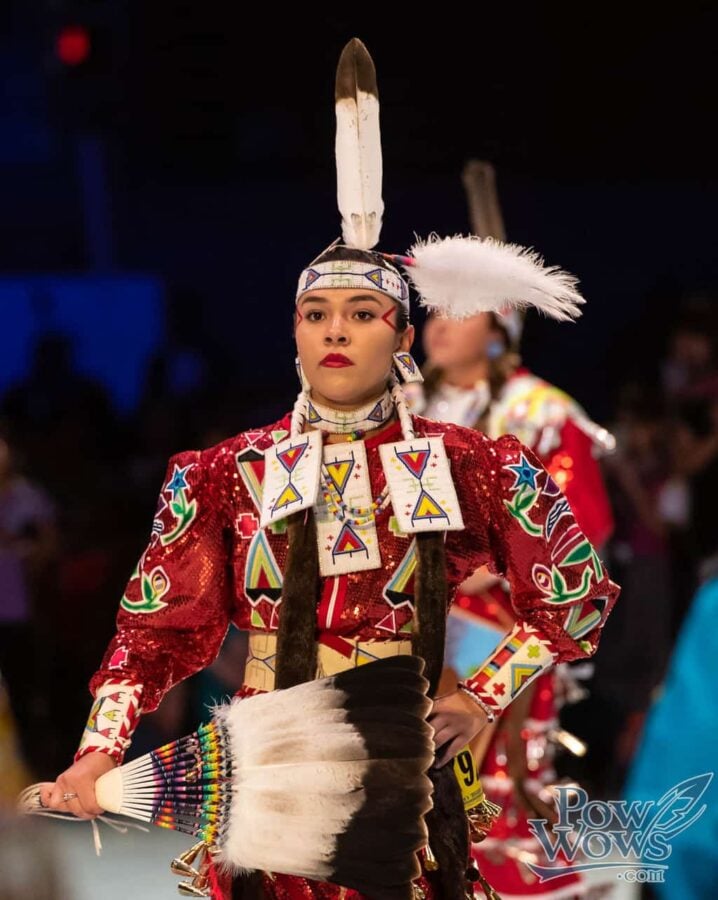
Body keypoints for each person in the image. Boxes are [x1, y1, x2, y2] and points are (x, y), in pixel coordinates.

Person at [40, 40, 619, 900]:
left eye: (362, 313)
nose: (336, 331)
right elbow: (150, 639)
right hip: (272, 783)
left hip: (411, 785)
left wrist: (483, 696)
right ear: (295, 334)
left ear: (403, 337)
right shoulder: (227, 473)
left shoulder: (470, 463)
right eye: (316, 314)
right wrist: (97, 754)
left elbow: (573, 591)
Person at [408, 161, 616, 898]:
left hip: (507, 630)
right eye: (430, 308)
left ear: (499, 328)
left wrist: (485, 569)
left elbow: (578, 536)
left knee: (498, 786)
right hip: (408, 629)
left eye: (455, 310)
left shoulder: (544, 416)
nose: (435, 322)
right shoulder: (403, 412)